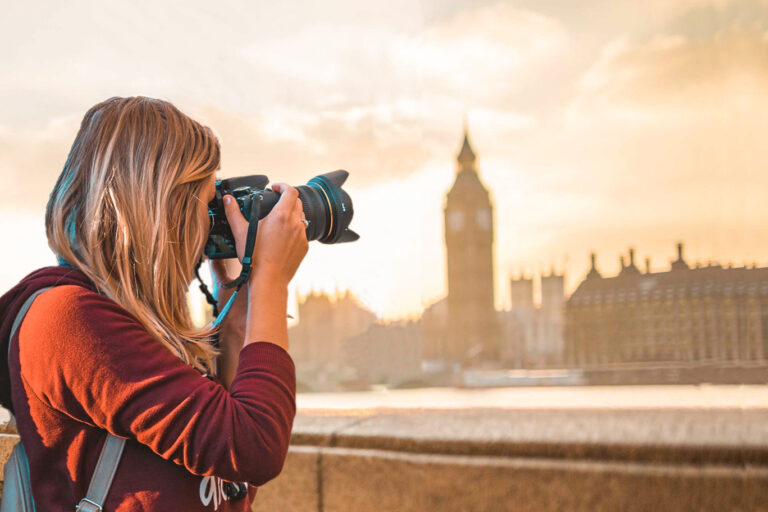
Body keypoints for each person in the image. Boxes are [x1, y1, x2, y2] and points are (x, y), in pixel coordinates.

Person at [0, 96, 308, 510]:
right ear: (165, 210)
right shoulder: (69, 320)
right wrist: (272, 278)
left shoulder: (144, 326)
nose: (208, 223)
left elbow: (230, 475)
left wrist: (236, 307)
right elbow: (253, 446)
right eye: (205, 203)